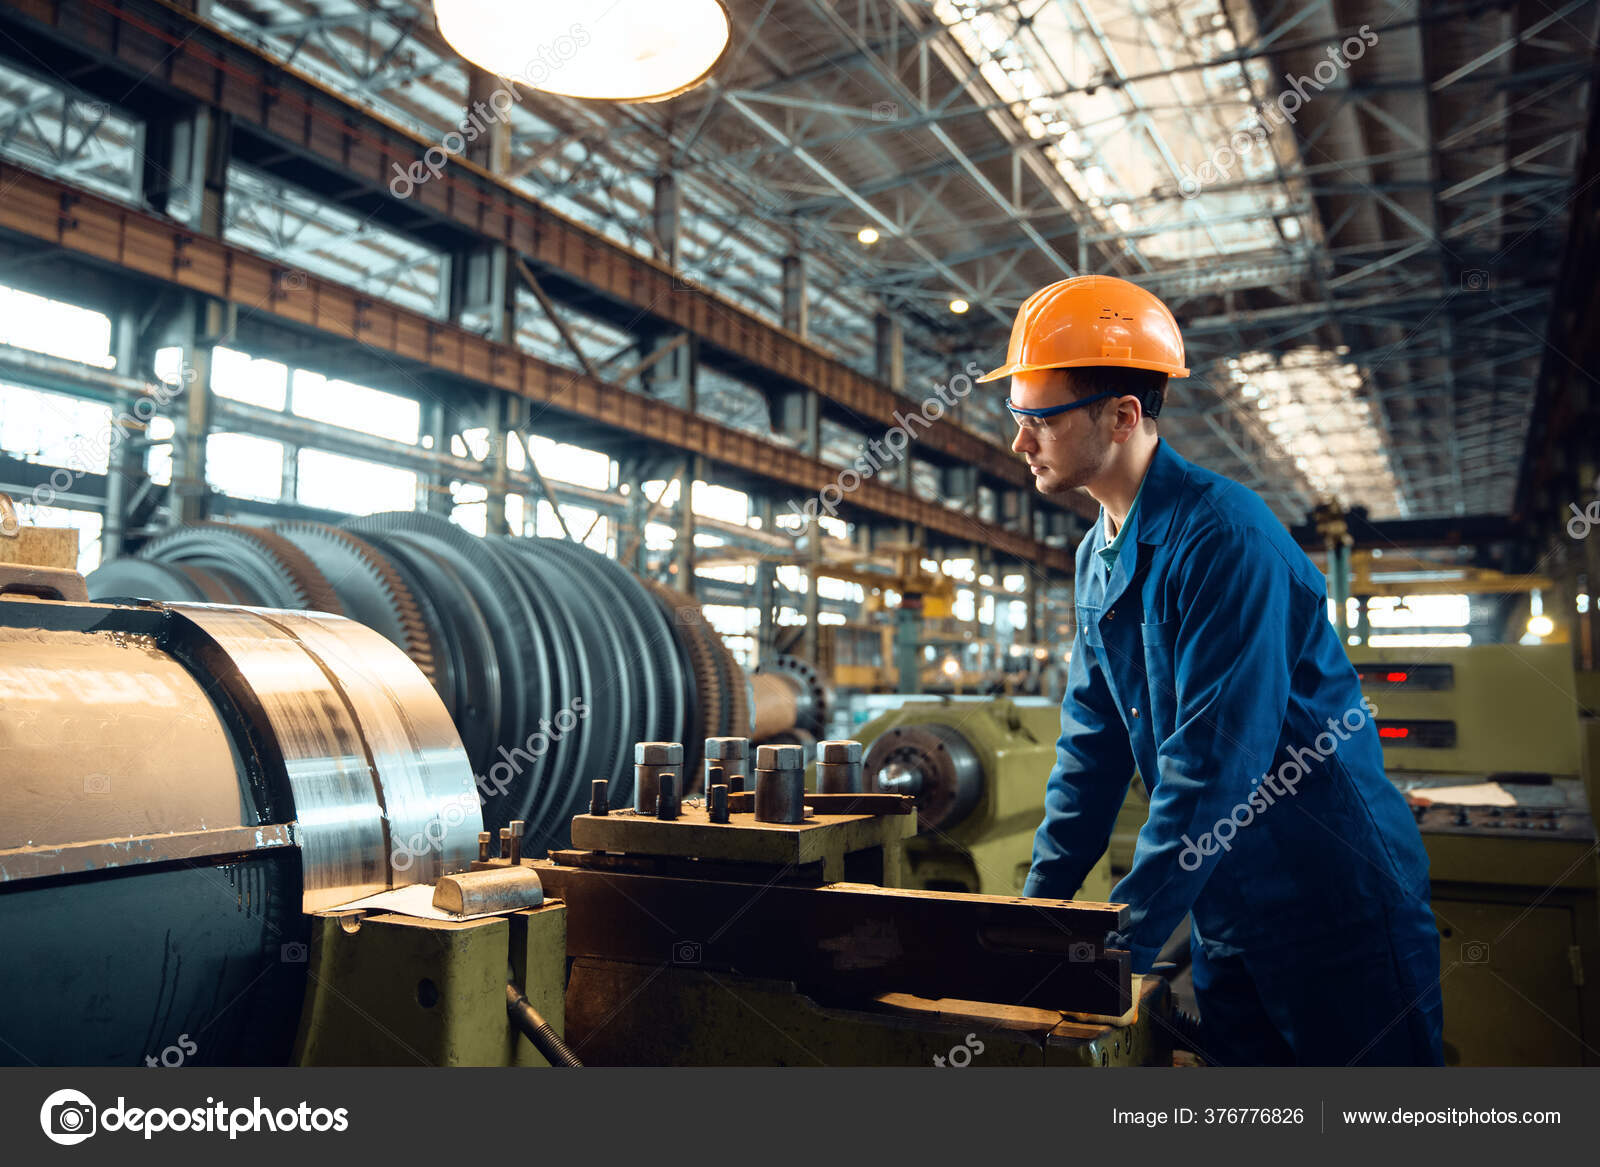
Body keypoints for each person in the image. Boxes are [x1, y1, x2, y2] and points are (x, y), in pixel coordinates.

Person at [979, 275, 1443, 1066]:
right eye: (1016, 418)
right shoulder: (1099, 555)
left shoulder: (1225, 539)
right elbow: (1090, 752)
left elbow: (1212, 774)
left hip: (1334, 906)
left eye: (1038, 420)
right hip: (1226, 906)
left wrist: (1111, 949)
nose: (1020, 442)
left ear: (1123, 415)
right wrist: (1040, 918)